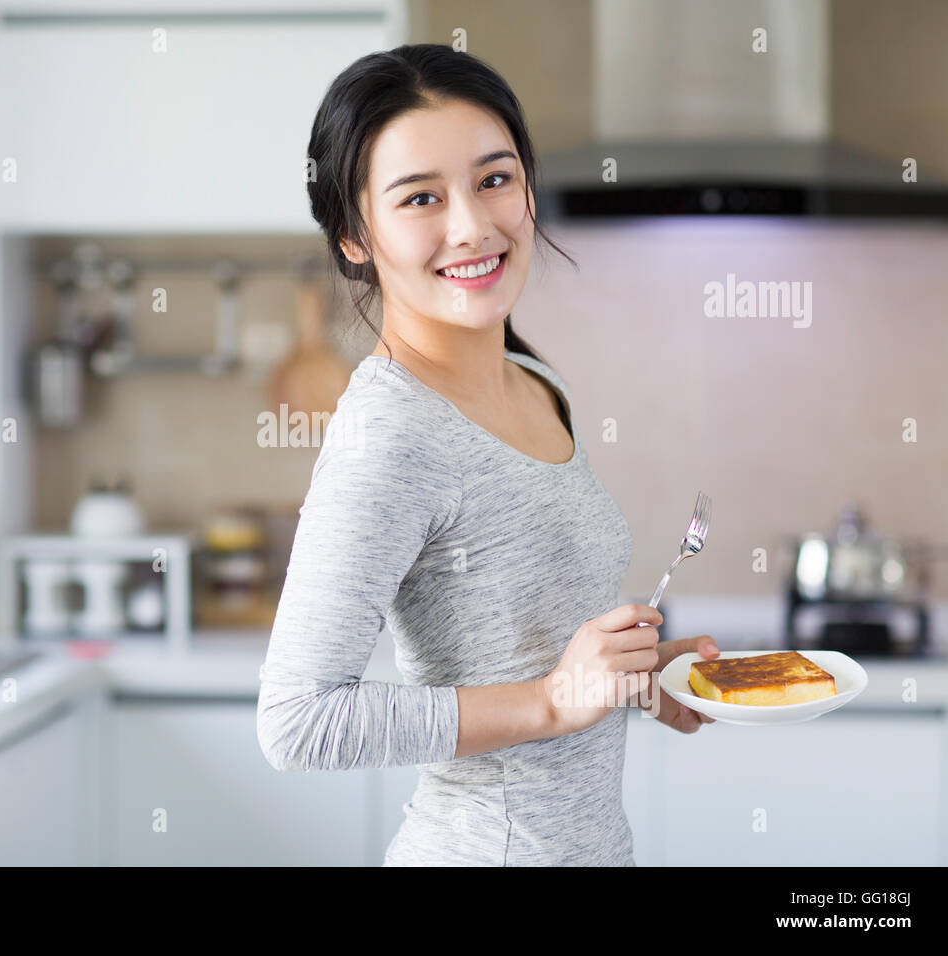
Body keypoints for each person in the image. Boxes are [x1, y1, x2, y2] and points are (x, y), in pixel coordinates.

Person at [256, 43, 719, 866]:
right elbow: (298, 720)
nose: (472, 225)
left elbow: (526, 643)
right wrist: (551, 702)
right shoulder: (391, 436)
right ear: (354, 236)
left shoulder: (530, 375)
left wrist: (639, 681)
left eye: (494, 179)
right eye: (420, 197)